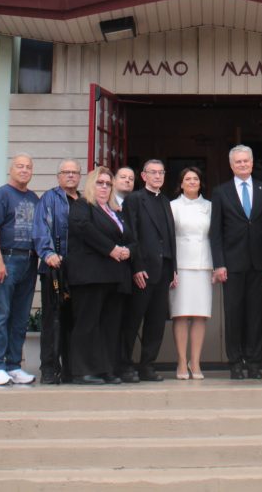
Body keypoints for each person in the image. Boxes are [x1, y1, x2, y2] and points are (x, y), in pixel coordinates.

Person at [209, 144, 262, 380]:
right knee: (234, 314)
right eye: (238, 161)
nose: (243, 164)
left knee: (256, 315)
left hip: (259, 263)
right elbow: (215, 232)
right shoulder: (221, 192)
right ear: (231, 165)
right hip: (232, 263)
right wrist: (219, 264)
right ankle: (235, 362)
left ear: (252, 162)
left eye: (246, 160)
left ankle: (254, 362)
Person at [64, 166, 136, 385]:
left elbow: (130, 237)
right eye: (100, 183)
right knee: (88, 323)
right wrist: (111, 249)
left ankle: (106, 369)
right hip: (90, 275)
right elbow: (83, 229)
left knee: (109, 326)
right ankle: (82, 371)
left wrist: (128, 250)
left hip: (114, 277)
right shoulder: (82, 205)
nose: (104, 187)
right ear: (91, 184)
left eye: (108, 184)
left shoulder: (115, 211)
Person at [0, 153, 40, 386]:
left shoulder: (34, 198)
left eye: (28, 167)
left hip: (29, 260)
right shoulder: (2, 195)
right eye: (20, 166)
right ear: (11, 169)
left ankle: (13, 365)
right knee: (1, 314)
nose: (24, 170)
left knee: (20, 317)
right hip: (6, 259)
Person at [119, 158, 176, 383]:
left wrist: (174, 268)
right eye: (153, 172)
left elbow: (170, 237)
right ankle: (124, 365)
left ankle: (147, 365)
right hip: (142, 270)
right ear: (143, 176)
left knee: (156, 322)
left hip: (163, 270)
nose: (157, 176)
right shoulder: (134, 199)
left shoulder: (165, 201)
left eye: (161, 172)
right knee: (132, 320)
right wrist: (137, 267)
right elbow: (131, 235)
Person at [32, 159, 80, 385]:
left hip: (76, 270)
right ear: (58, 176)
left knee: (73, 320)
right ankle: (49, 369)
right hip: (54, 268)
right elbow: (40, 228)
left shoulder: (83, 200)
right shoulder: (49, 198)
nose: (70, 175)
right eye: (66, 172)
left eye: (74, 172)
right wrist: (48, 253)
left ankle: (71, 369)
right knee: (53, 320)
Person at [169, 166, 212, 379]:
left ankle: (195, 362)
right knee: (181, 314)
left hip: (203, 264)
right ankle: (181, 361)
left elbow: (215, 237)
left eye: (195, 178)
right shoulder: (172, 206)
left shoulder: (210, 206)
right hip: (181, 265)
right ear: (181, 183)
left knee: (200, 315)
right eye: (188, 179)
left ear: (200, 182)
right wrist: (171, 268)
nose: (192, 182)